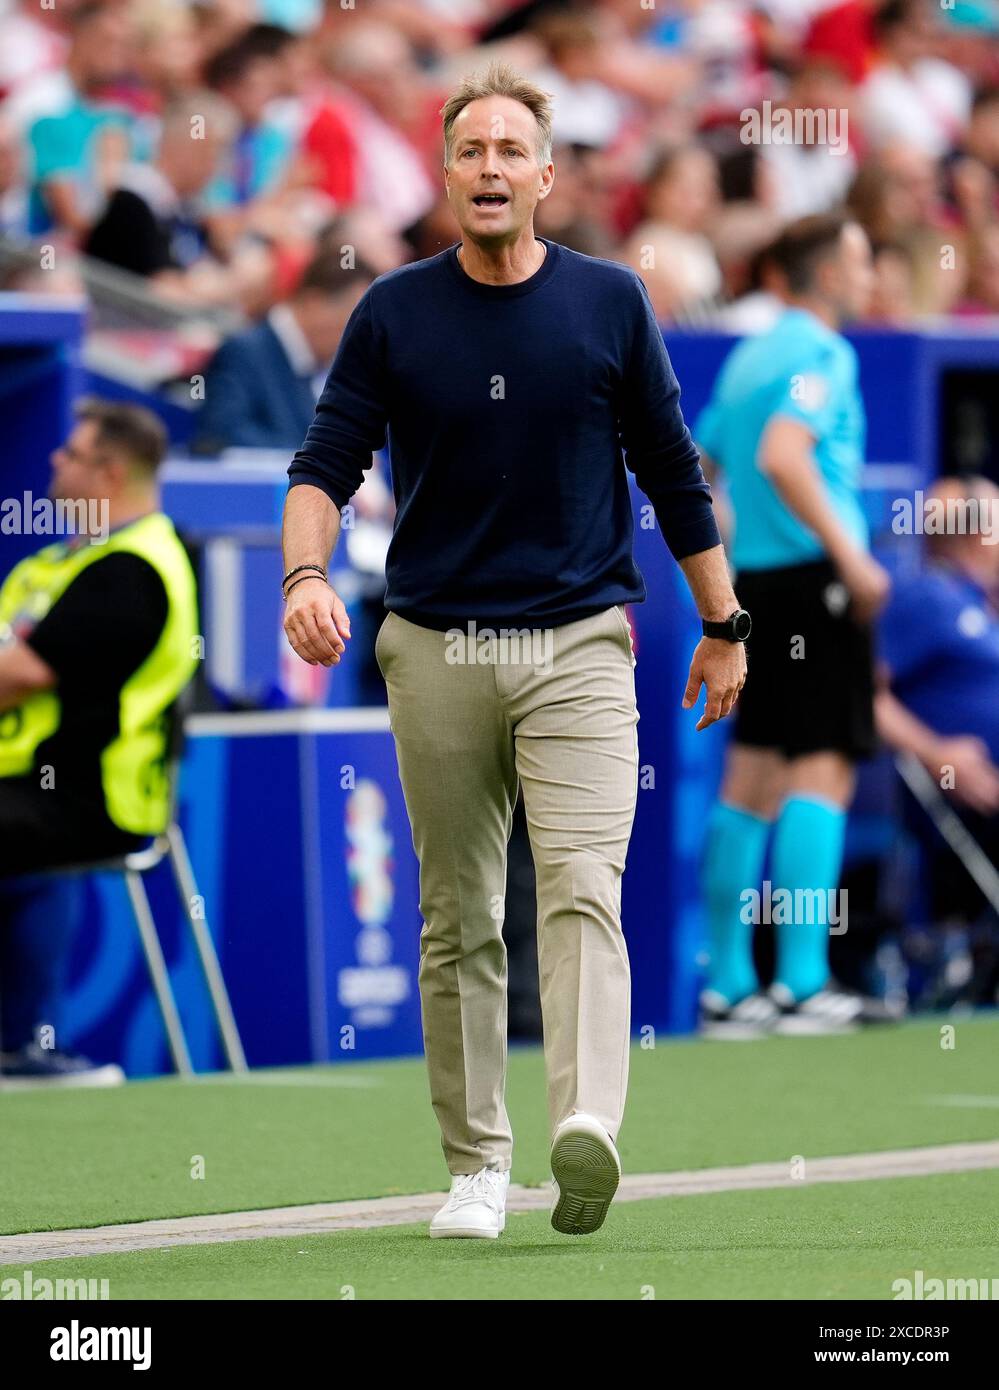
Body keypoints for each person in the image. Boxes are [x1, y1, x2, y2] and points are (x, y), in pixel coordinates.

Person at [280, 61, 747, 1238]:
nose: (489, 169)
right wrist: (302, 575)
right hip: (434, 646)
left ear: (548, 176)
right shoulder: (391, 310)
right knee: (458, 912)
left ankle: (585, 1121)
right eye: (469, 152)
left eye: (509, 152)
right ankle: (477, 1165)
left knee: (586, 888)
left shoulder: (610, 301)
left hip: (583, 642)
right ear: (446, 176)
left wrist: (726, 621)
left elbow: (672, 468)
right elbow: (322, 464)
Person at [696, 212, 891, 1039]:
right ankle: (804, 983)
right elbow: (783, 452)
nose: (869, 272)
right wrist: (850, 556)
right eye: (857, 259)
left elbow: (703, 467)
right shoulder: (820, 351)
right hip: (817, 587)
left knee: (751, 778)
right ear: (826, 273)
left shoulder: (747, 356)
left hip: (756, 590)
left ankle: (729, 989)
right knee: (820, 774)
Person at [0, 399, 200, 1083]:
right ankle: (20, 1044)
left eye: (71, 453)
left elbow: (18, 674)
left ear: (108, 473)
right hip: (29, 785)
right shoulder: (56, 563)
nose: (54, 461)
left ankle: (23, 1047)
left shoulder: (133, 569)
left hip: (93, 797)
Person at [875, 476, 999, 1004]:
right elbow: (860, 689)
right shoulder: (927, 597)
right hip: (965, 802)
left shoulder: (978, 601)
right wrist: (936, 752)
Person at [193, 252, 376, 453]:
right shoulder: (243, 353)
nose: (358, 343)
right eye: (354, 326)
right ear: (315, 304)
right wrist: (324, 461)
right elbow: (221, 435)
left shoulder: (316, 366)